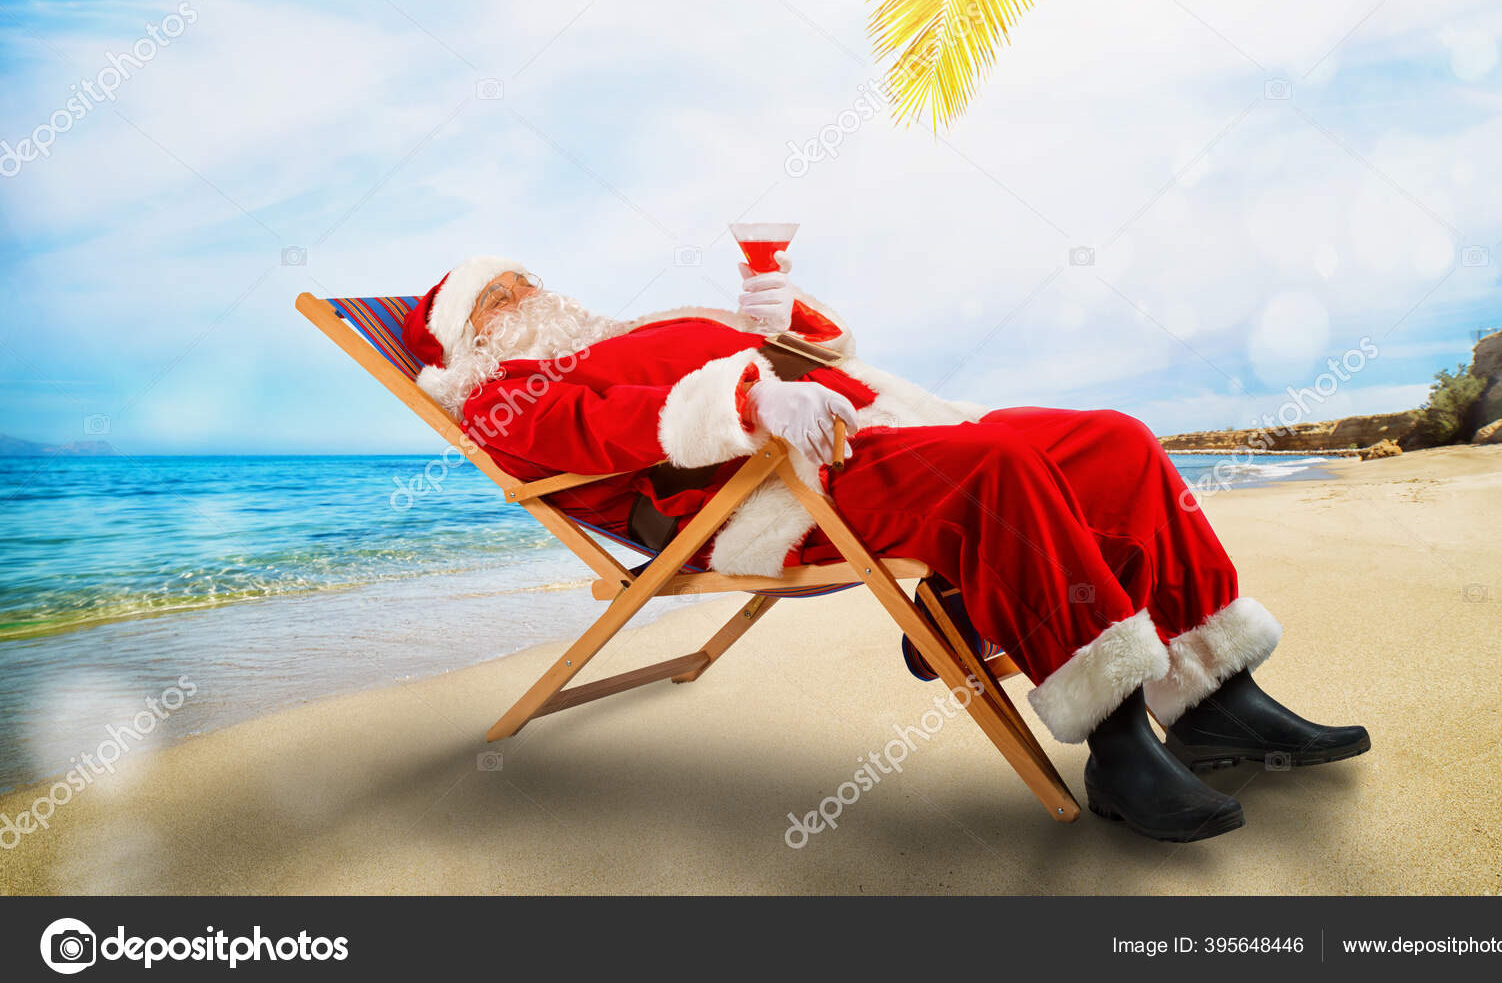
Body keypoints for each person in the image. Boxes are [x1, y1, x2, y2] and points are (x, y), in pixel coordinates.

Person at [401, 252, 1368, 842]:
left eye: (526, 277)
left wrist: (783, 323)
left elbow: (809, 356)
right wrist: (748, 403)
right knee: (992, 467)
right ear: (467, 342)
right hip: (768, 489)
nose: (529, 293)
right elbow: (613, 431)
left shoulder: (617, 332)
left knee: (1113, 437)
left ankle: (1216, 698)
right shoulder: (501, 394)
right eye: (497, 297)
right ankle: (1117, 746)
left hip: (867, 425)